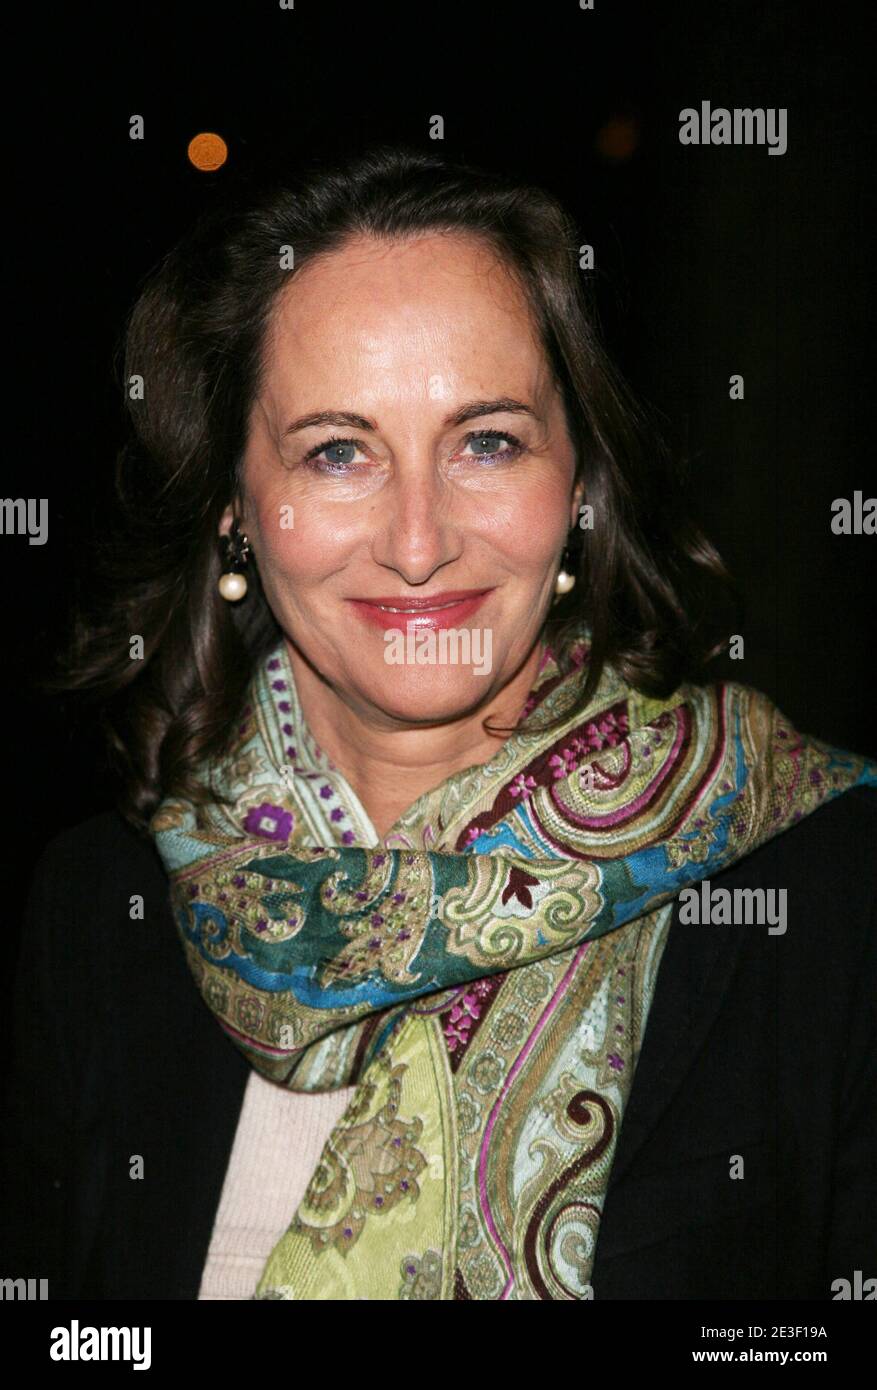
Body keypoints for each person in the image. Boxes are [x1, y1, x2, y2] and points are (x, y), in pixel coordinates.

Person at [2, 145, 875, 1301]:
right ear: (232, 505)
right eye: (338, 452)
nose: (418, 543)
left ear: (581, 483)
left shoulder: (830, 897)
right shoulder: (96, 911)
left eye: (486, 442)